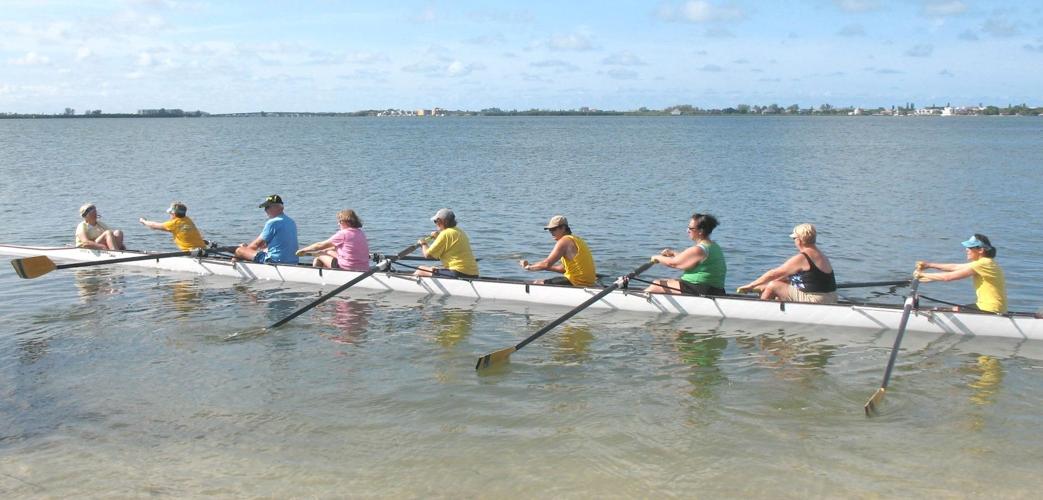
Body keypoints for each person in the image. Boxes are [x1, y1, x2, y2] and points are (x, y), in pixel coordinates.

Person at [737, 223, 837, 304]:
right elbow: (790, 278)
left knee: (773, 285)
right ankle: (768, 298)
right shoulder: (821, 255)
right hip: (832, 298)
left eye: (794, 239)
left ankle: (758, 312)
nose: (794, 242)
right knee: (782, 282)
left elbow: (773, 273)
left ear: (799, 240)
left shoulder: (802, 258)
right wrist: (762, 286)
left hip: (817, 301)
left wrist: (751, 285)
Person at [914, 234, 1007, 313]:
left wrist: (922, 275)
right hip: (989, 307)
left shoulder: (983, 264)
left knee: (954, 311)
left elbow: (948, 277)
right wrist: (929, 265)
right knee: (956, 309)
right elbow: (955, 267)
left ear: (980, 250)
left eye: (970, 247)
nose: (966, 249)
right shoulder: (986, 262)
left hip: (990, 309)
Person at [646, 213, 726, 296]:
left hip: (701, 289)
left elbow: (673, 263)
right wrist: (673, 253)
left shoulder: (698, 249)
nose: (687, 230)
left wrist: (657, 257)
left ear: (700, 231)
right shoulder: (713, 246)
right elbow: (689, 260)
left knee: (656, 285)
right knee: (668, 282)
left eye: (690, 228)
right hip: (714, 289)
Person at [519, 215, 597, 287]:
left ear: (563, 228)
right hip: (589, 282)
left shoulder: (564, 241)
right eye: (549, 230)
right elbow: (563, 269)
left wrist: (528, 267)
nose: (551, 232)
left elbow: (546, 264)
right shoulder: (576, 239)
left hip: (576, 282)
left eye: (553, 229)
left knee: (537, 283)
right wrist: (539, 266)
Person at [233, 195, 299, 264]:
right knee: (264, 250)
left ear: (278, 207)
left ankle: (234, 263)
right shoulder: (291, 221)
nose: (265, 210)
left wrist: (244, 251)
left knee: (239, 250)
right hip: (293, 261)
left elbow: (256, 245)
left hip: (275, 261)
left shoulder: (273, 222)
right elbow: (266, 244)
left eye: (267, 207)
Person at [296, 209, 370, 271]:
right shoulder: (360, 232)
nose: (338, 224)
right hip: (364, 268)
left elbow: (320, 245)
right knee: (328, 251)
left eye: (340, 221)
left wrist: (303, 250)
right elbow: (343, 247)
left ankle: (318, 278)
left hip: (348, 268)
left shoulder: (343, 233)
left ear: (347, 221)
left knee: (319, 255)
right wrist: (326, 251)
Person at [414, 208, 479, 278]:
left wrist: (423, 244)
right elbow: (448, 243)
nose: (436, 224)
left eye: (436, 221)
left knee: (420, 269)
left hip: (458, 272)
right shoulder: (459, 231)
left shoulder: (445, 234)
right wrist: (437, 237)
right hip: (473, 274)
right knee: (434, 268)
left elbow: (428, 255)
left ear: (445, 221)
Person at [138, 201, 206, 251]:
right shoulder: (188, 220)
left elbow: (153, 225)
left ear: (173, 214)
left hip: (190, 252)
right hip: (202, 248)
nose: (169, 215)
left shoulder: (173, 224)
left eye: (170, 213)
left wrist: (143, 221)